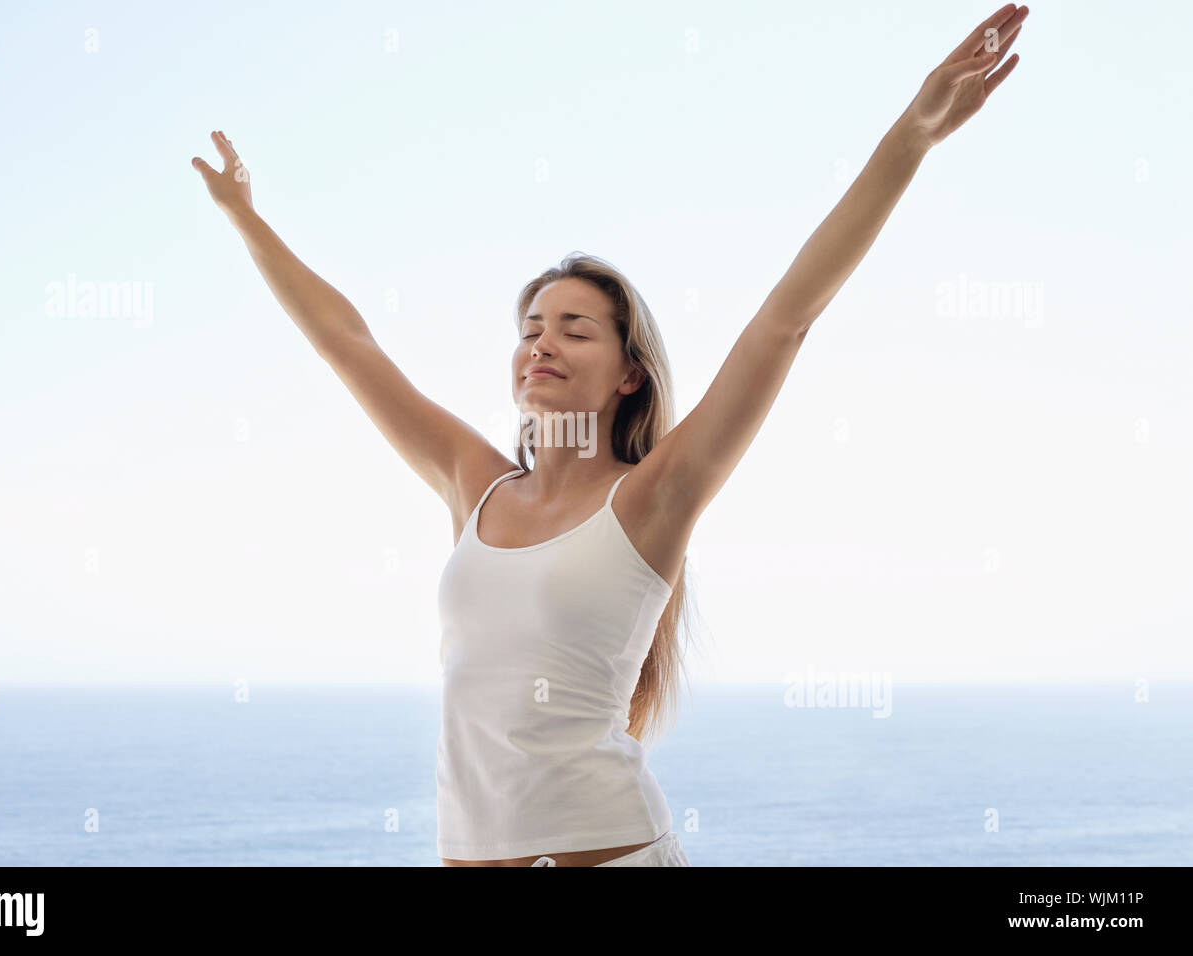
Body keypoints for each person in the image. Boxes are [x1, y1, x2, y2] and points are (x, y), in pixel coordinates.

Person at [191, 4, 1028, 866]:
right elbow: (348, 342)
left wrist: (911, 138)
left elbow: (783, 321)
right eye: (530, 326)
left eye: (575, 329)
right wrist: (246, 219)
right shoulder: (469, 483)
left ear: (629, 371)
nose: (541, 341)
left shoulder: (651, 496)